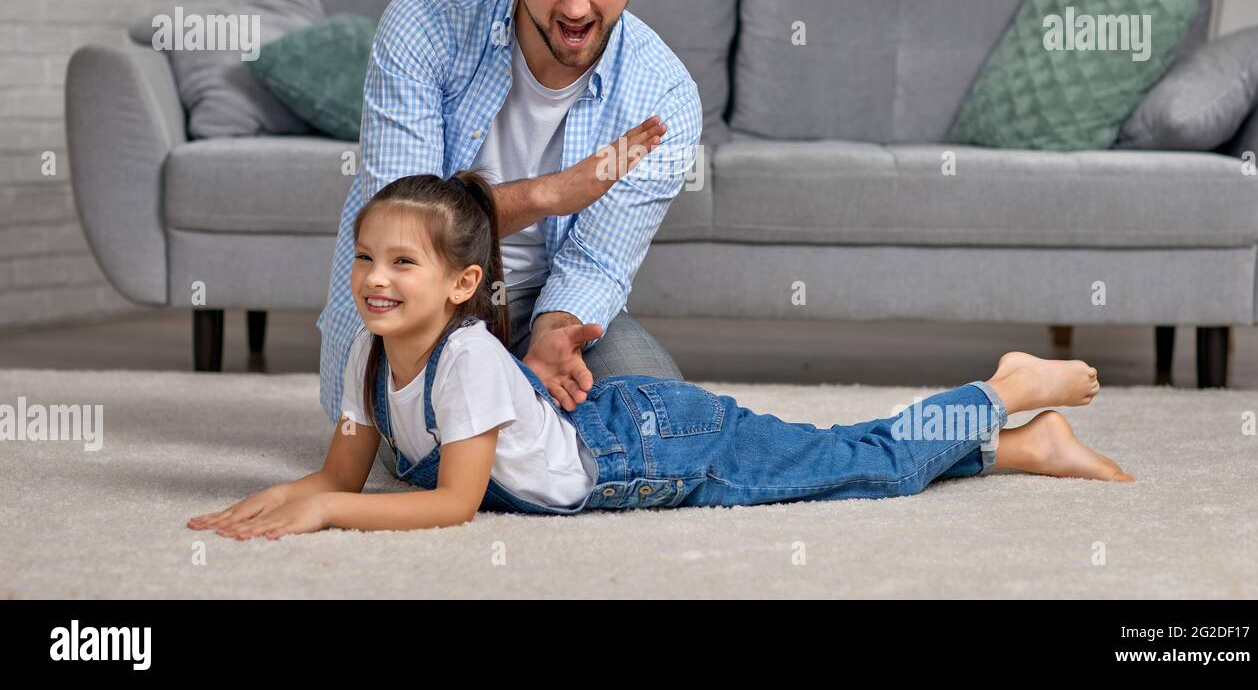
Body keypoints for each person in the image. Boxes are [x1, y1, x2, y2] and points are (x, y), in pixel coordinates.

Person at [190, 172, 1134, 542]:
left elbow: (451, 504)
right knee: (843, 477)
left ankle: (1001, 386)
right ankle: (1023, 444)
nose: (375, 279)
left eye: (404, 262)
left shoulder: (470, 359)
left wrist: (324, 512)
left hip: (651, 447)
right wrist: (302, 488)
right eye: (364, 257)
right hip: (617, 446)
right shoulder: (365, 344)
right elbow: (345, 467)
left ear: (464, 284)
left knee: (858, 462)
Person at [314, 0, 704, 486]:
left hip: (545, 294)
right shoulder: (424, 24)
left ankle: (521, 393)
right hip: (425, 303)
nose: (576, 7)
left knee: (666, 431)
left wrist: (553, 333)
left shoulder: (664, 93)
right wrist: (553, 193)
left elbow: (598, 264)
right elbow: (397, 238)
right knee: (438, 461)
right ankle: (503, 410)